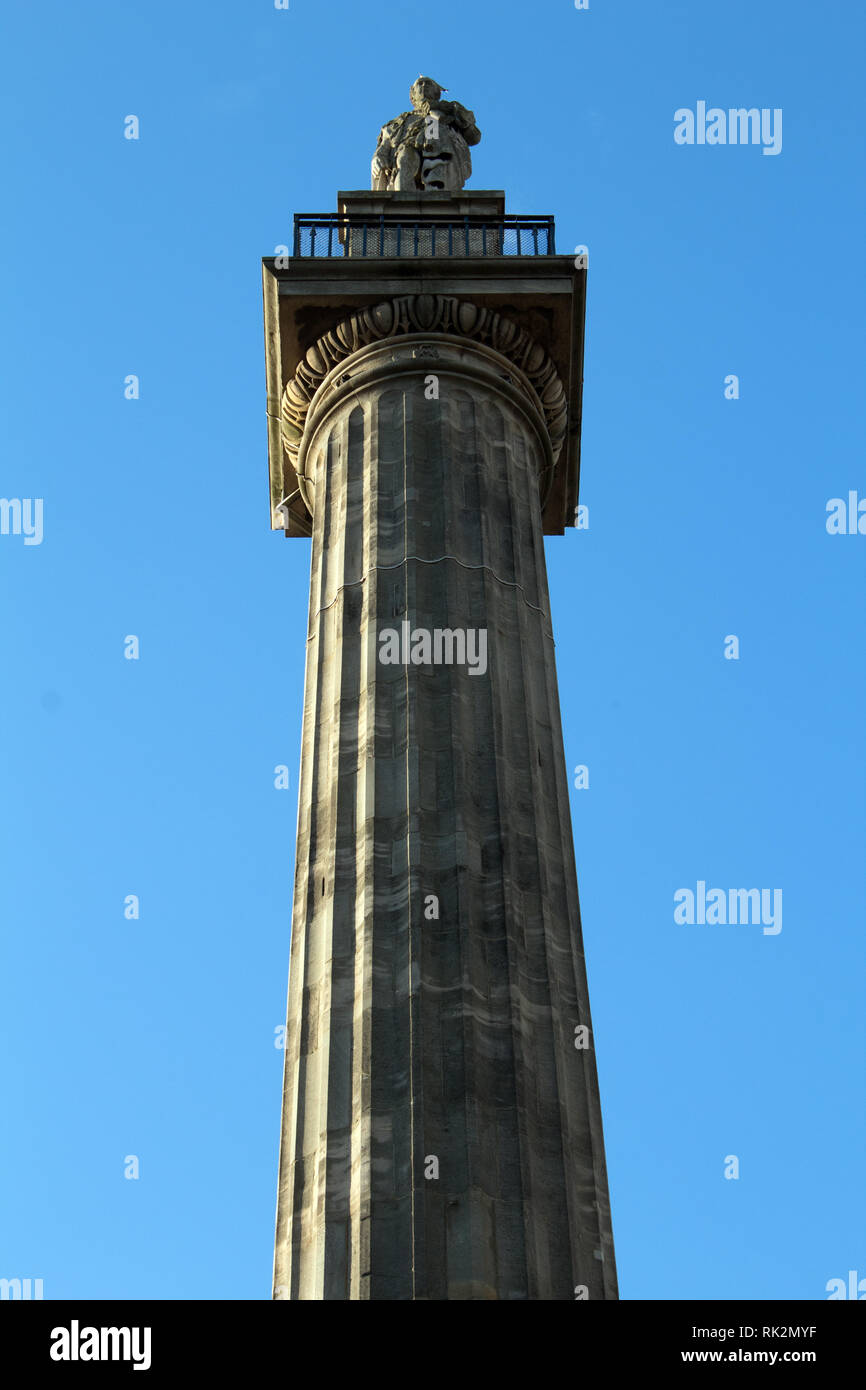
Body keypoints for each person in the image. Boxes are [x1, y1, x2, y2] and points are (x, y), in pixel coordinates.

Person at [371, 76, 481, 192]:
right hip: (408, 151)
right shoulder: (399, 122)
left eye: (428, 83)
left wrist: (456, 115)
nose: (424, 85)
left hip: (440, 157)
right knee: (405, 158)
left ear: (437, 92)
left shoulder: (450, 111)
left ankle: (435, 187)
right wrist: (379, 155)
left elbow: (474, 137)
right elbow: (386, 143)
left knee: (433, 126)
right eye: (420, 83)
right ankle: (403, 203)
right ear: (412, 93)